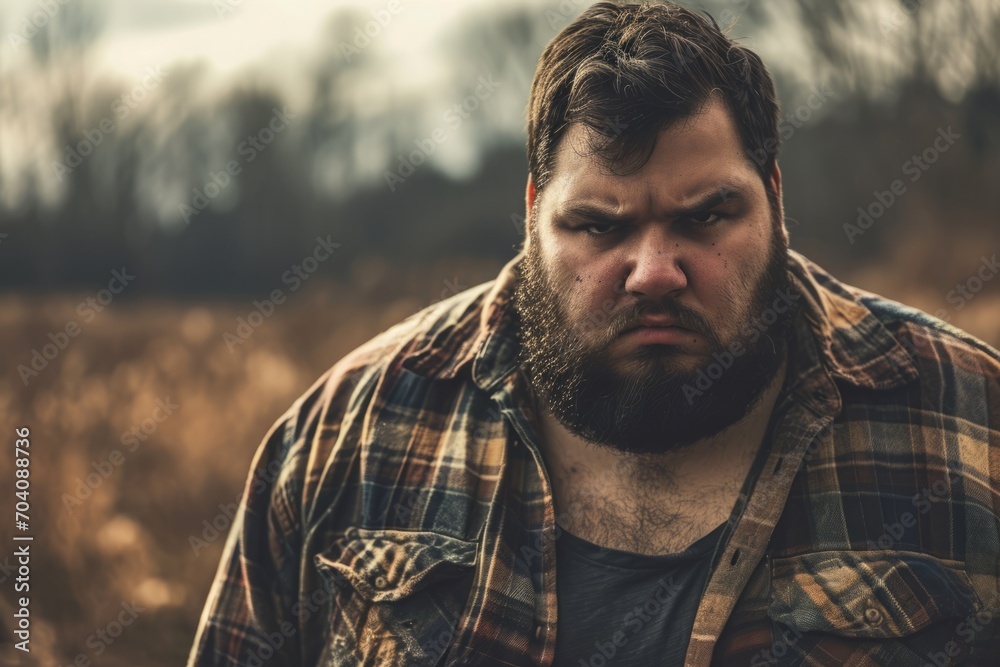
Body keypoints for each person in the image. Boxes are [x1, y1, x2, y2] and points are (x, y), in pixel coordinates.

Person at [187, 2, 1000, 665]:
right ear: (533, 212)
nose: (653, 270)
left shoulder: (969, 422)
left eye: (706, 215)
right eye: (599, 226)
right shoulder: (345, 436)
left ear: (775, 198)